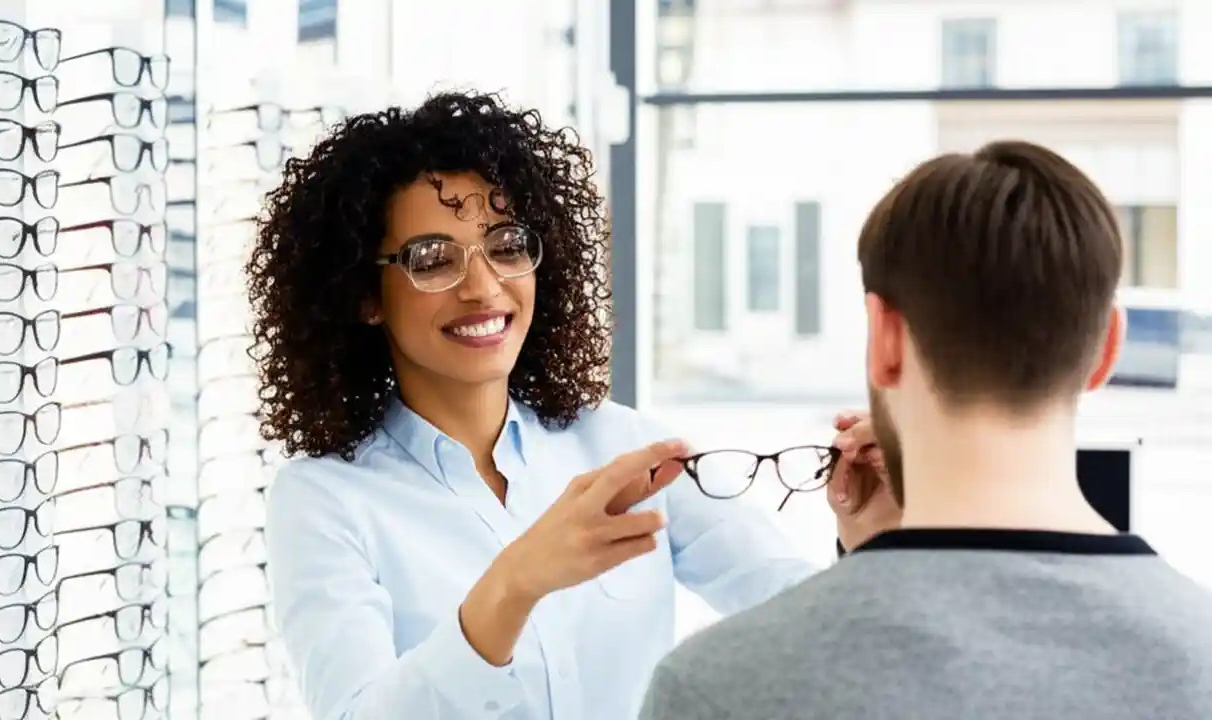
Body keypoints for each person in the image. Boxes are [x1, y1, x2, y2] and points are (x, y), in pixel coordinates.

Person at [248, 91, 892, 720]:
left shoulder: (624, 448)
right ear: (366, 295)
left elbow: (806, 631)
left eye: (505, 246)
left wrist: (866, 547)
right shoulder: (323, 501)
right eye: (433, 259)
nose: (483, 287)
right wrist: (515, 583)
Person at [640, 140, 1212, 720]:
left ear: (885, 340)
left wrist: (874, 574)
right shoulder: (1198, 657)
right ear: (1108, 349)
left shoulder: (715, 686)